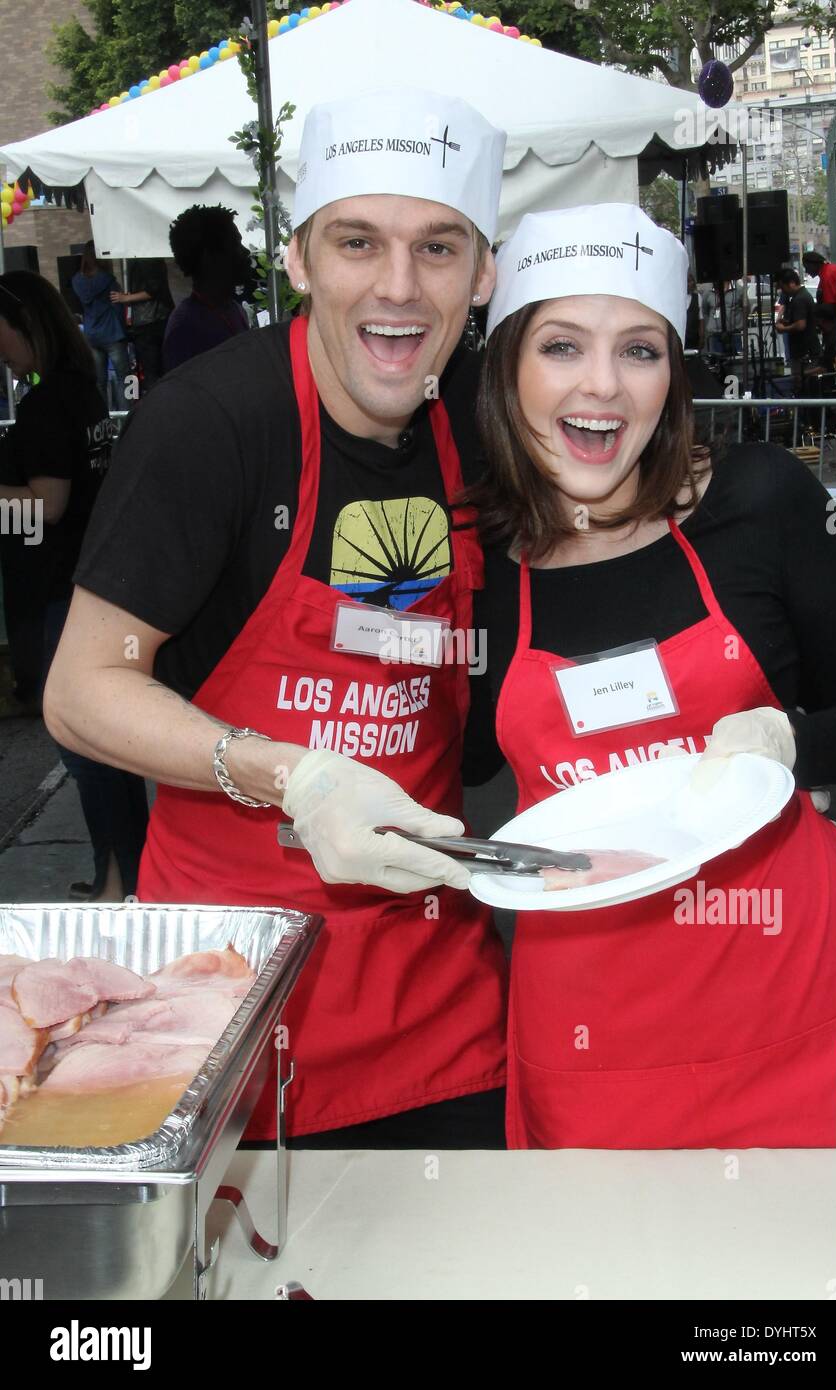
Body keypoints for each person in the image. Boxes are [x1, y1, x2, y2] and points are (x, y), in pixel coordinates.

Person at [44, 88, 509, 1148]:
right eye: (357, 242)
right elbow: (80, 689)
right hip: (226, 1007)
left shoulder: (483, 422)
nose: (397, 288)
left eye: (437, 249)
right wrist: (293, 775)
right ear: (296, 258)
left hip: (434, 1011)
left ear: (482, 273)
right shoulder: (209, 425)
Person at [462, 202, 836, 1149]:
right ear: (508, 365)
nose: (602, 386)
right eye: (562, 346)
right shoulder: (476, 562)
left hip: (805, 1012)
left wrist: (788, 740)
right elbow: (456, 757)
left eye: (640, 350)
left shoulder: (761, 501)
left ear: (673, 375)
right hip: (591, 1042)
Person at [0, 271, 149, 898]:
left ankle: (123, 882)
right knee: (104, 756)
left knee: (88, 754)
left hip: (61, 587)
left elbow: (45, 507)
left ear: (24, 325)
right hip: (90, 580)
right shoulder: (82, 390)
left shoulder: (46, 403)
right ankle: (123, 876)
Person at [162, 205, 252, 371]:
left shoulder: (234, 310)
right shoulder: (185, 327)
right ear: (209, 257)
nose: (245, 252)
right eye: (235, 244)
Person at [71, 243, 130, 412]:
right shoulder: (108, 280)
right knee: (124, 379)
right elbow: (118, 305)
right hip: (112, 333)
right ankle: (126, 416)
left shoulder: (76, 281)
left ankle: (102, 420)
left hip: (91, 334)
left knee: (99, 381)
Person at [111, 259, 174, 395]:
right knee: (159, 370)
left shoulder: (144, 260)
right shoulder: (150, 258)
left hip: (148, 323)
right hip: (156, 319)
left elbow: (152, 290)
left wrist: (126, 298)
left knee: (151, 374)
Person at [775, 268, 821, 391]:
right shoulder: (799, 297)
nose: (783, 291)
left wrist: (783, 329)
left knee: (802, 384)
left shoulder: (800, 299)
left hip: (805, 352)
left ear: (791, 283)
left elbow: (801, 325)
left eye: (783, 287)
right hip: (804, 351)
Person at [802, 250, 836, 366]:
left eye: (806, 267)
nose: (806, 271)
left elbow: (831, 307)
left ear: (813, 264)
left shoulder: (828, 275)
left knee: (830, 363)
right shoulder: (830, 271)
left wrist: (813, 310)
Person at [684, 272, 703, 352]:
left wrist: (702, 336)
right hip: (681, 338)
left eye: (691, 281)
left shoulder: (697, 297)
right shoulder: (677, 299)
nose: (689, 284)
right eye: (687, 281)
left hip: (693, 338)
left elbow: (701, 319)